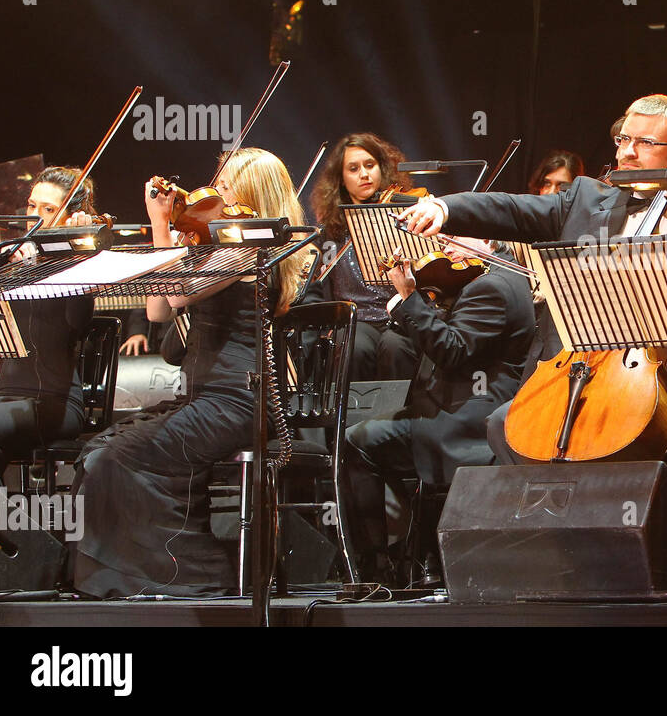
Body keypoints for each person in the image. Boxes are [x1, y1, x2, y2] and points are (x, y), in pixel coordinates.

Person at [398, 94, 667, 480]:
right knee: (504, 423)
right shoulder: (586, 198)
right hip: (581, 364)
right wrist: (446, 208)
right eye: (624, 139)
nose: (628, 152)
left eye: (645, 143)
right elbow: (512, 209)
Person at [74, 148, 313, 598]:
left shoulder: (250, 246)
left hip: (239, 401)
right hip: (204, 398)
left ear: (251, 197)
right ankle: (133, 577)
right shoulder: (218, 247)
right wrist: (168, 233)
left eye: (224, 189)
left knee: (118, 456)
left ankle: (194, 576)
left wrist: (163, 227)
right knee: (100, 451)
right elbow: (158, 310)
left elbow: (179, 295)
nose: (211, 196)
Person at [338, 235, 535, 583]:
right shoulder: (495, 276)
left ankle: (375, 569)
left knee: (356, 440)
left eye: (455, 236)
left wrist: (407, 299)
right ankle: (416, 549)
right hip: (459, 406)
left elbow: (452, 351)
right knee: (369, 434)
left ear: (486, 237)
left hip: (466, 419)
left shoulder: (491, 286)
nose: (445, 247)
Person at [0, 167, 97, 476]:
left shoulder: (77, 267)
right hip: (3, 396)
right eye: (32, 206)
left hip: (54, 404)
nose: (35, 216)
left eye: (48, 209)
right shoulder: (10, 260)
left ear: (70, 216)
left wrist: (77, 256)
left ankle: (1, 524)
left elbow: (78, 321)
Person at [310, 132, 418, 381]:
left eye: (370, 165)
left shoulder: (405, 216)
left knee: (396, 347)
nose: (364, 174)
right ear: (341, 179)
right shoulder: (331, 231)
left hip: (400, 314)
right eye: (353, 168)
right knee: (355, 349)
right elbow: (320, 286)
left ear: (382, 168)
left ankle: (402, 418)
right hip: (357, 320)